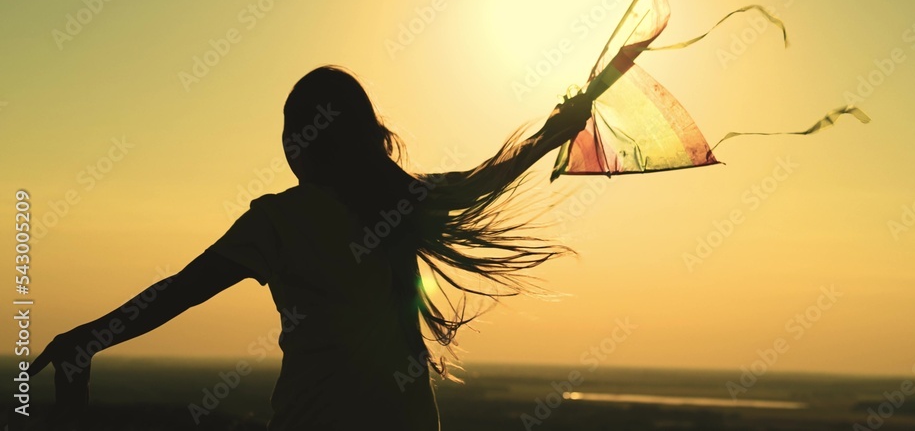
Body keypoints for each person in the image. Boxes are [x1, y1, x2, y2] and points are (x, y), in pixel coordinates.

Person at [27, 66, 593, 430]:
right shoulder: (402, 200)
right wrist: (559, 127)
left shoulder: (280, 219)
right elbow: (489, 176)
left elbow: (178, 292)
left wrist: (88, 339)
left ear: (301, 141)